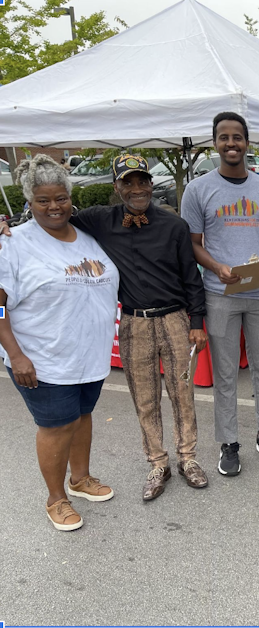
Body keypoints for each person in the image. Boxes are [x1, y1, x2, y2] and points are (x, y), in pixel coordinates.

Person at [0, 155, 211, 500]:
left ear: (151, 183)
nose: (137, 188)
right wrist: (5, 226)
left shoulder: (172, 225)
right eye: (128, 182)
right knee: (144, 399)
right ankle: (157, 463)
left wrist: (198, 321)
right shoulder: (97, 221)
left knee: (181, 394)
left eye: (142, 180)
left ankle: (188, 458)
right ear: (116, 187)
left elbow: (191, 277)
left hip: (172, 319)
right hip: (131, 323)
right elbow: (1, 298)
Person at [0, 155, 118, 530]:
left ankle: (80, 479)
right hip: (42, 359)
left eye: (60, 198)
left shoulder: (88, 238)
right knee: (56, 427)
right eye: (43, 200)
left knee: (82, 418)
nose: (54, 207)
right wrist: (15, 354)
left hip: (88, 356)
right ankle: (56, 499)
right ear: (29, 203)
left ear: (71, 197)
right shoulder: (14, 244)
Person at [181, 112, 259, 477]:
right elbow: (192, 244)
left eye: (237, 137)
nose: (231, 144)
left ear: (246, 142)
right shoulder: (198, 190)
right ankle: (228, 442)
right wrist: (216, 267)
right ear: (215, 143)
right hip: (220, 292)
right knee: (225, 373)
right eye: (224, 137)